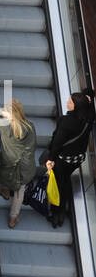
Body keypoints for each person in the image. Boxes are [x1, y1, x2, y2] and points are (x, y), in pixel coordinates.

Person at [44, 92, 95, 228]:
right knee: (65, 179)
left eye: (70, 102)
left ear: (76, 106)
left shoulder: (66, 121)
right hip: (77, 159)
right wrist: (87, 96)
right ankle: (61, 209)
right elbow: (90, 94)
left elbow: (57, 143)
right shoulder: (89, 118)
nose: (67, 103)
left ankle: (57, 213)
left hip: (63, 160)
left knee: (59, 183)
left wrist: (50, 159)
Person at [0, 99, 37, 229]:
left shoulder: (6, 127)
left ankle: (4, 190)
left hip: (9, 162)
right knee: (19, 193)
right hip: (26, 167)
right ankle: (13, 218)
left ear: (11, 115)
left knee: (5, 174)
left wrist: (1, 112)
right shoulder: (30, 127)